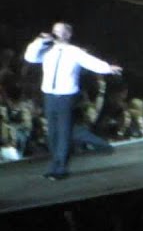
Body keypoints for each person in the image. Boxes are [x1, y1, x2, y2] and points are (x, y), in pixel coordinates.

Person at [22, 22, 122, 180]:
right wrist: (40, 40)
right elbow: (29, 57)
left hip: (66, 97)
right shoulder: (47, 50)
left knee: (63, 133)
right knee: (53, 132)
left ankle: (60, 169)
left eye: (60, 32)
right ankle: (57, 163)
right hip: (49, 96)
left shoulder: (74, 52)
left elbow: (90, 61)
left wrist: (107, 68)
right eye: (54, 31)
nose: (56, 34)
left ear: (68, 34)